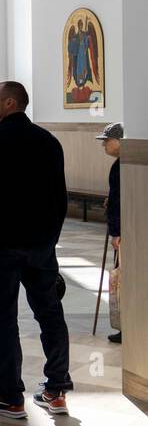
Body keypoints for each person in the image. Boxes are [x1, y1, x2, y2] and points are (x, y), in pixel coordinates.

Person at [0, 81, 72, 418]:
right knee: (50, 316)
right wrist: (49, 240)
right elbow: (60, 199)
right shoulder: (48, 142)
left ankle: (10, 396)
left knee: (3, 321)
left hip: (0, 248)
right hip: (40, 246)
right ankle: (56, 390)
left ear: (10, 103)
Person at [97, 123, 122, 343]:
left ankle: (127, 328)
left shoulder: (122, 166)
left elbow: (124, 201)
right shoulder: (121, 165)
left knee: (124, 280)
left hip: (124, 233)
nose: (104, 144)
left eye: (107, 140)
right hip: (124, 230)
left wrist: (116, 233)